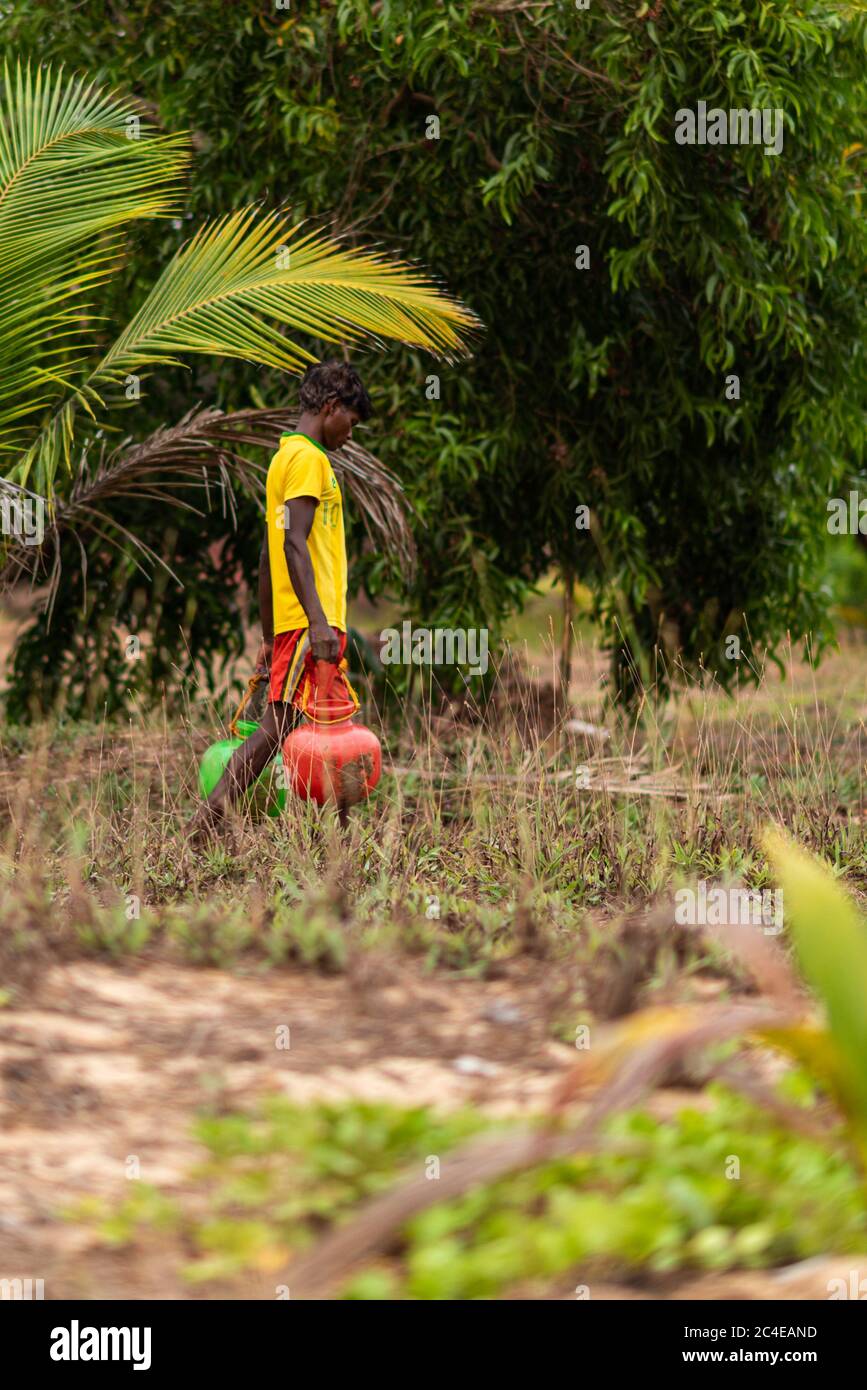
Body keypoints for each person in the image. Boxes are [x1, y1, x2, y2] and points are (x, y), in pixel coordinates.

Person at [188, 360, 372, 833]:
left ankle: (342, 844)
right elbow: (292, 546)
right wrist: (315, 623)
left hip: (305, 624)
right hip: (314, 624)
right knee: (276, 730)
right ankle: (202, 828)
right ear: (331, 406)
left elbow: (269, 558)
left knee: (330, 729)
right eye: (350, 422)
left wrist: (271, 637)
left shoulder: (284, 458)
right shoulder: (309, 460)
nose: (350, 434)